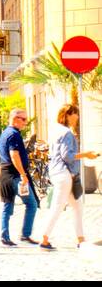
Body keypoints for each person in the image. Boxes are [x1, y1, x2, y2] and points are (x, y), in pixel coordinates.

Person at [39, 104, 99, 250]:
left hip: (58, 172)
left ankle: (81, 239)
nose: (77, 117)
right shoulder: (67, 133)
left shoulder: (55, 130)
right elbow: (67, 156)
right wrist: (87, 154)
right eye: (75, 114)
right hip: (64, 174)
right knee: (57, 207)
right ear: (67, 115)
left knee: (77, 206)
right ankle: (44, 238)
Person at [0, 108, 39, 248]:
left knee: (7, 205)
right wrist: (23, 174)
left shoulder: (5, 132)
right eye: (23, 119)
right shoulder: (14, 134)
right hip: (15, 175)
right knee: (31, 204)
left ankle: (5, 236)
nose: (25, 122)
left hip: (5, 174)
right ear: (15, 119)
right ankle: (25, 234)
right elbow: (14, 155)